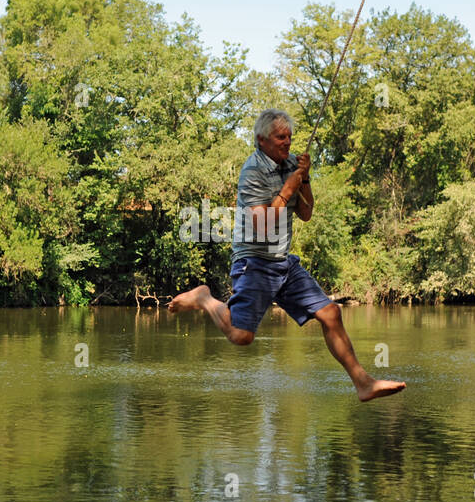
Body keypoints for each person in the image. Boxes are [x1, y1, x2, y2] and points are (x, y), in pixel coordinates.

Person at [168, 109, 406, 401]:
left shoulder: (292, 164)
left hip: (283, 261)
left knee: (331, 313)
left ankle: (363, 383)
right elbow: (262, 223)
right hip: (253, 261)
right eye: (281, 137)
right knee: (242, 337)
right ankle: (205, 298)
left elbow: (305, 213)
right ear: (262, 140)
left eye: (290, 137)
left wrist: (303, 179)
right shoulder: (251, 171)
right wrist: (289, 186)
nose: (288, 142)